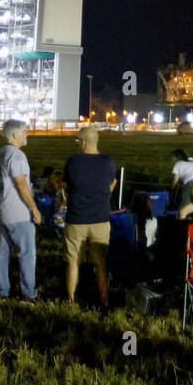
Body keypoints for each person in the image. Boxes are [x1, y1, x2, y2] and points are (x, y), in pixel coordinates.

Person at [63, 125, 117, 306]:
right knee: (101, 263)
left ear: (84, 142)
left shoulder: (73, 162)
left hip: (76, 218)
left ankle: (71, 300)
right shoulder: (109, 162)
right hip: (101, 219)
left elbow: (66, 186)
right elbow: (112, 182)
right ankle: (104, 300)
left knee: (73, 262)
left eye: (78, 141)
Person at [0, 119, 41, 301]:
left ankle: (2, 291)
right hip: (18, 212)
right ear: (15, 135)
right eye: (25, 131)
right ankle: (28, 294)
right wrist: (34, 208)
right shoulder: (17, 156)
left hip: (3, 210)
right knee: (27, 253)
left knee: (3, 253)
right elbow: (21, 185)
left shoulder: (2, 153)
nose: (27, 134)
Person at [169, 147, 193, 219]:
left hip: (190, 183)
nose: (172, 160)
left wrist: (171, 192)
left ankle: (181, 228)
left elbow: (175, 182)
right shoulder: (192, 161)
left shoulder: (178, 164)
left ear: (177, 157)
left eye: (173, 157)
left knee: (182, 211)